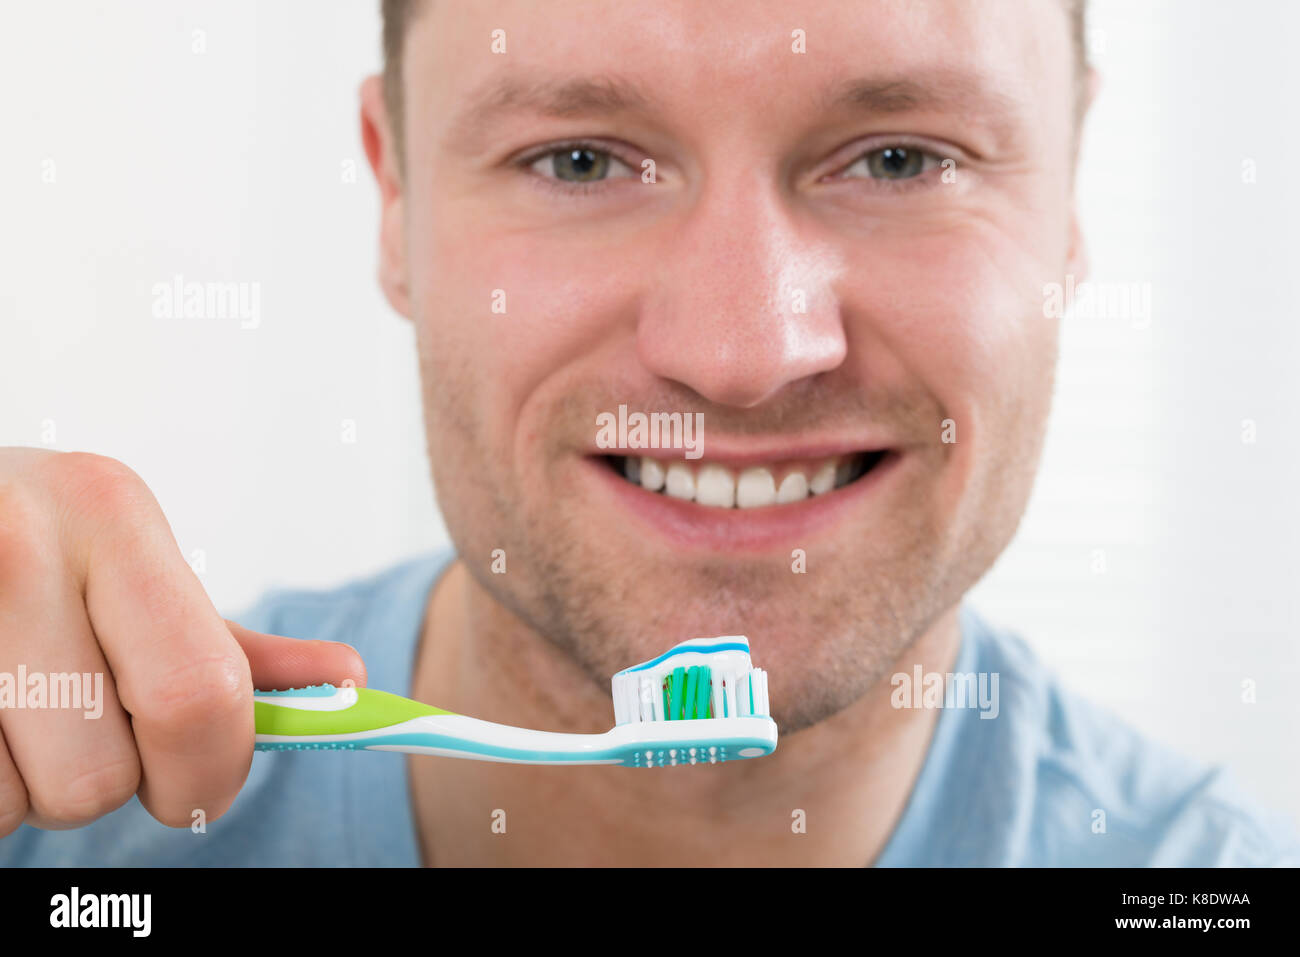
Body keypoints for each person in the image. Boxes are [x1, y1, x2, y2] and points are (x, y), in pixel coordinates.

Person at [1, 0, 1295, 866]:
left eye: (900, 159)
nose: (742, 353)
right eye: (579, 162)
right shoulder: (63, 829)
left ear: (1068, 198)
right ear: (395, 198)